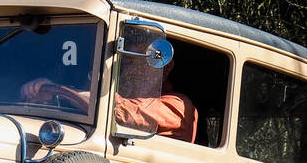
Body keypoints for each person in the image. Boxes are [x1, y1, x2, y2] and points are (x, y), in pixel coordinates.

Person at [18, 56, 198, 142]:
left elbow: (123, 112)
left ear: (165, 68)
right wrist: (42, 95)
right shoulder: (123, 97)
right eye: (124, 63)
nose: (127, 71)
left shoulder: (178, 105)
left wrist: (60, 90)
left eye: (134, 62)